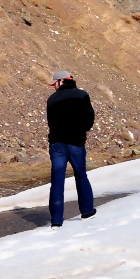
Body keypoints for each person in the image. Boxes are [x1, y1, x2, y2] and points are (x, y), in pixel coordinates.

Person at [46, 70, 97, 227]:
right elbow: (90, 117)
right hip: (76, 143)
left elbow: (50, 122)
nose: (53, 86)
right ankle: (87, 212)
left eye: (54, 83)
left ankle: (56, 221)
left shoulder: (51, 99)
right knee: (81, 176)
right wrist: (82, 130)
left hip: (57, 146)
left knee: (57, 182)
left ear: (61, 81)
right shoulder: (82, 95)